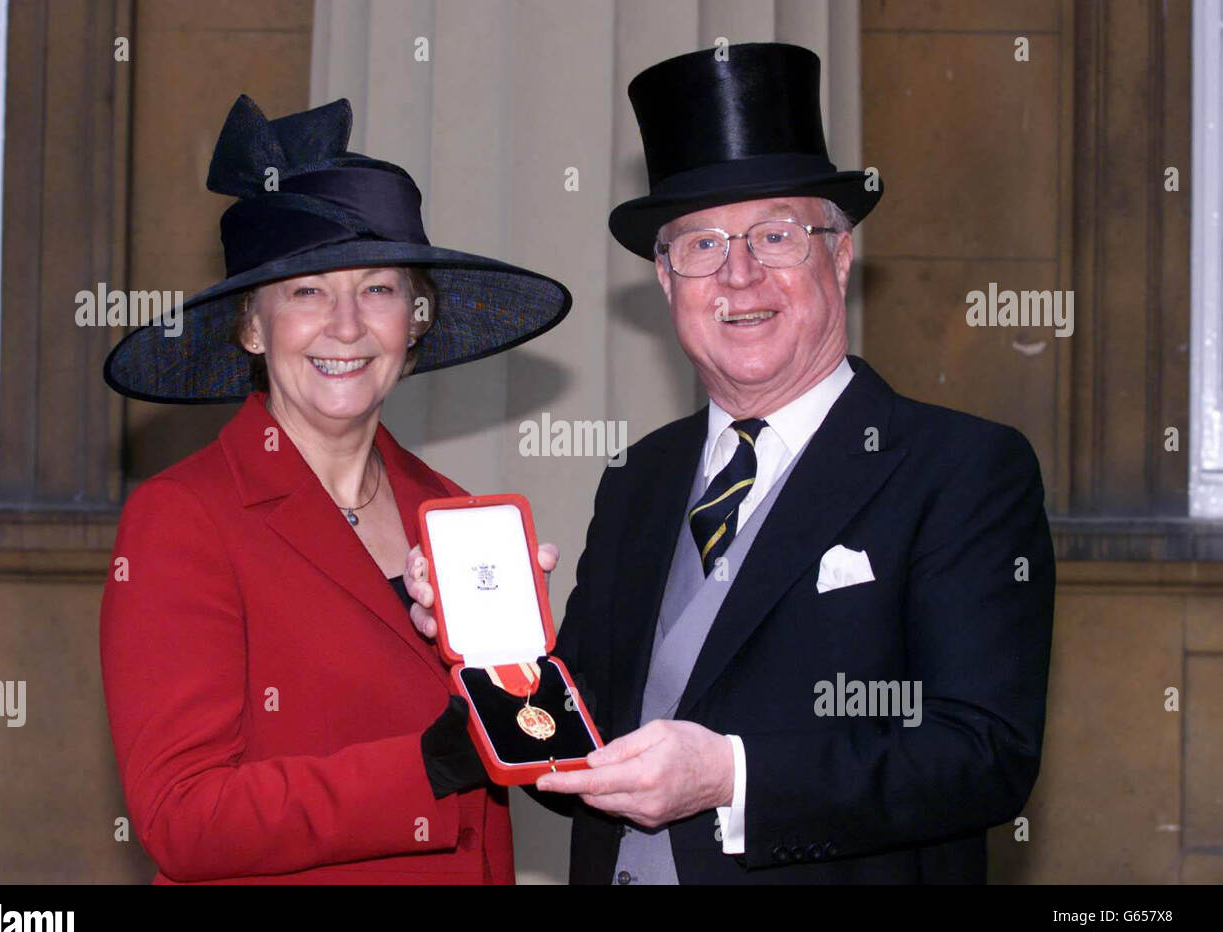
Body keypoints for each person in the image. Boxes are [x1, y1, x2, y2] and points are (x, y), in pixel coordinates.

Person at [406, 42, 1054, 884]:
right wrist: (488, 648)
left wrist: (732, 778)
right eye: (702, 245)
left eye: (776, 235)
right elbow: (578, 749)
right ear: (666, 280)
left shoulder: (962, 469)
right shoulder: (638, 477)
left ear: (842, 254)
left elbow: (983, 753)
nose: (739, 276)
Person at [99, 94, 570, 884]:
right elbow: (184, 818)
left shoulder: (451, 511)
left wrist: (545, 692)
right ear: (253, 326)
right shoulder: (183, 519)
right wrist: (426, 767)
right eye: (308, 291)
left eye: (379, 289)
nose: (346, 325)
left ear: (415, 322)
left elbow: (497, 789)